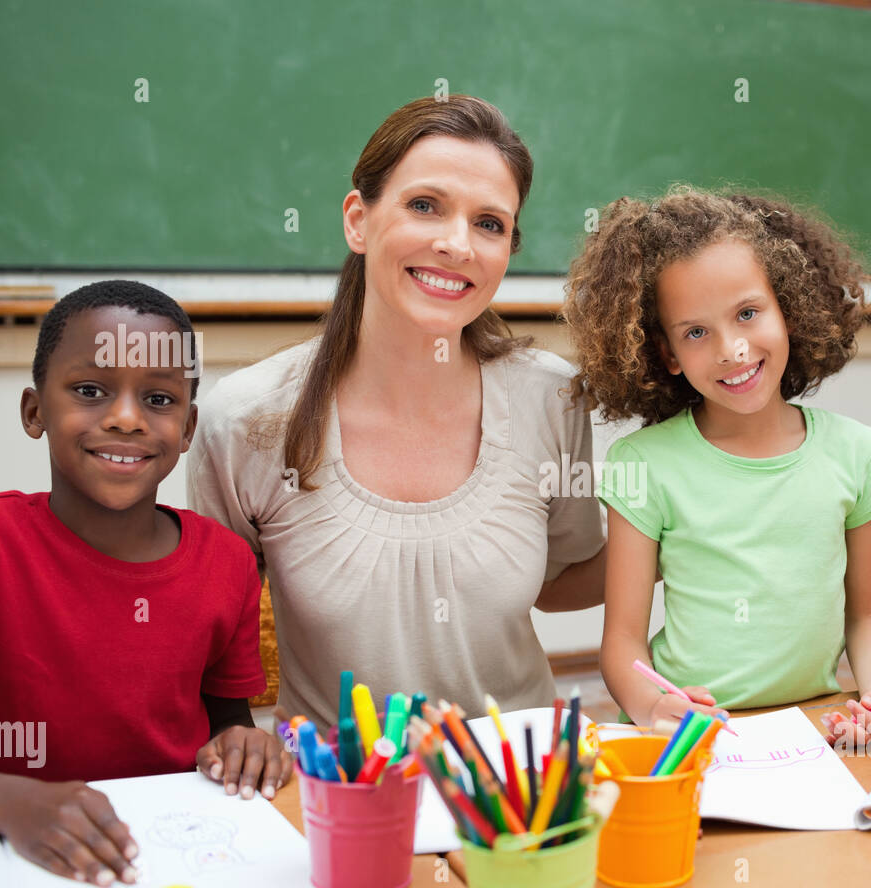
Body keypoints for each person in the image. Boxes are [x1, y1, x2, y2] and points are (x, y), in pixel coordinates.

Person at [188, 96, 604, 726]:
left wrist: (688, 524)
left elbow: (556, 583)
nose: (457, 244)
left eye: (489, 223)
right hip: (339, 794)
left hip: (521, 787)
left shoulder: (552, 398)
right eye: (424, 206)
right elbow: (212, 638)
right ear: (358, 220)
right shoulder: (244, 421)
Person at [0, 280, 287, 887]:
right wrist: (13, 805)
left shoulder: (227, 562)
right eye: (90, 390)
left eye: (158, 399)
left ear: (187, 428)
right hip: (6, 862)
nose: (126, 418)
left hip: (170, 860)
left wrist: (245, 746)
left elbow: (226, 724)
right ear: (34, 411)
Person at [566, 188, 871, 728]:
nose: (732, 349)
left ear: (788, 309)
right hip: (691, 734)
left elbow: (869, 618)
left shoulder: (859, 453)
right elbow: (623, 643)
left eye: (748, 313)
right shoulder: (645, 466)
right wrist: (654, 707)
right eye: (696, 332)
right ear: (667, 355)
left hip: (813, 728)